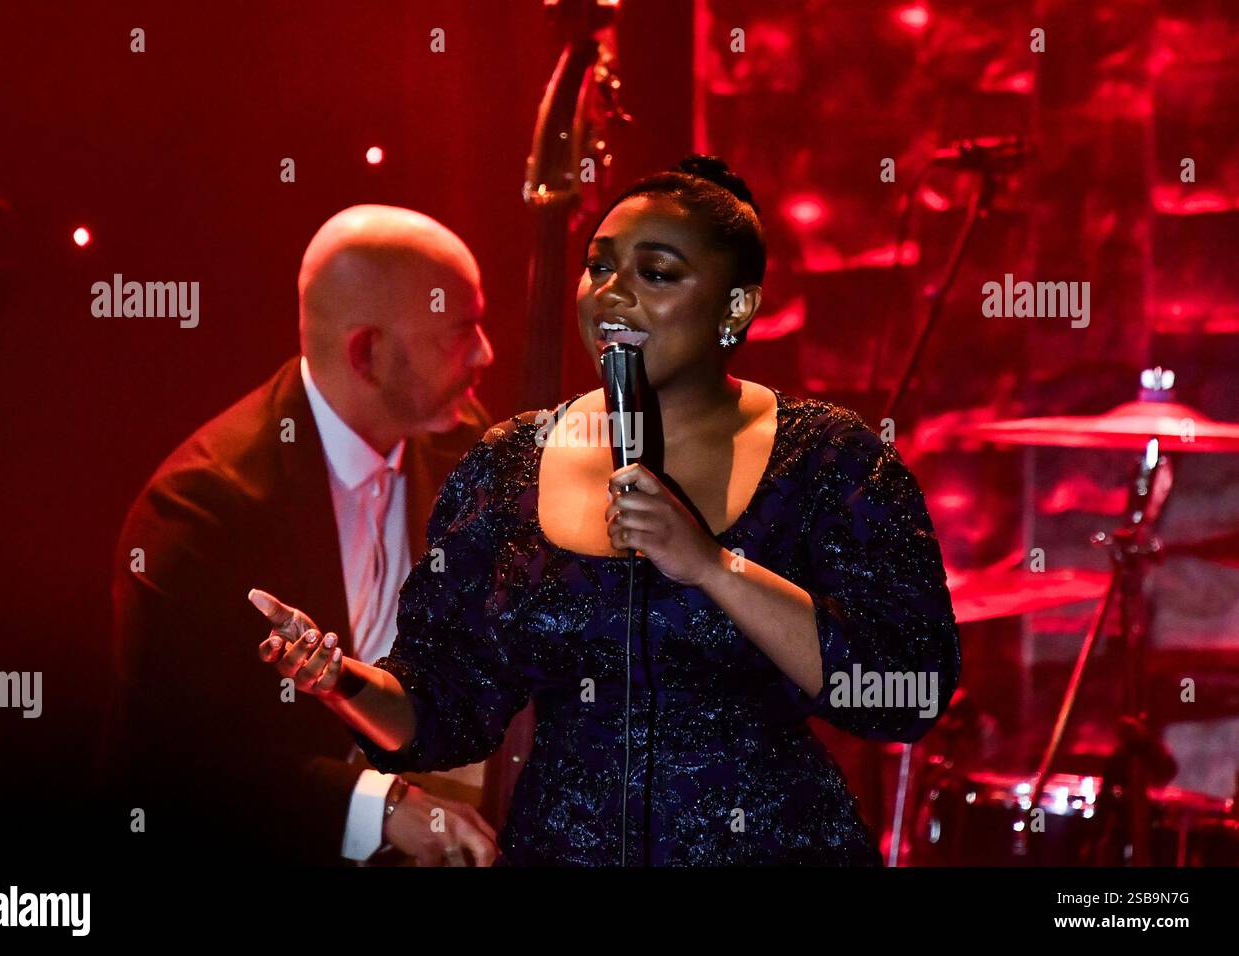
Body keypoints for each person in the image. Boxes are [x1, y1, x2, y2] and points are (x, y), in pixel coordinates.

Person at [252, 157, 961, 865]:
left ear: (737, 306)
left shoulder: (829, 461)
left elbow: (906, 691)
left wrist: (713, 568)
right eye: (599, 268)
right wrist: (337, 678)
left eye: (655, 273)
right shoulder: (507, 466)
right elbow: (442, 709)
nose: (609, 295)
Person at [107, 205, 499, 865]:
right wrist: (381, 810)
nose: (486, 353)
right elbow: (175, 764)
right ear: (366, 352)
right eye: (460, 332)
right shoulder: (203, 510)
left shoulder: (460, 439)